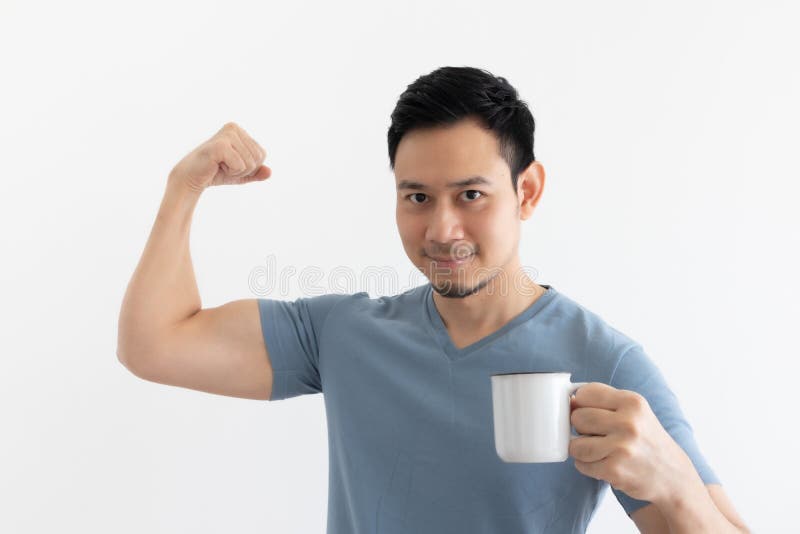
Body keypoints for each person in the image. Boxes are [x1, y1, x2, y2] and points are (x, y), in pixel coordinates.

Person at [117, 66, 749, 533]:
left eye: (471, 195)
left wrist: (676, 484)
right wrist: (184, 188)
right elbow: (153, 345)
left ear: (527, 192)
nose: (442, 230)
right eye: (417, 197)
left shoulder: (606, 362)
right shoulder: (340, 334)